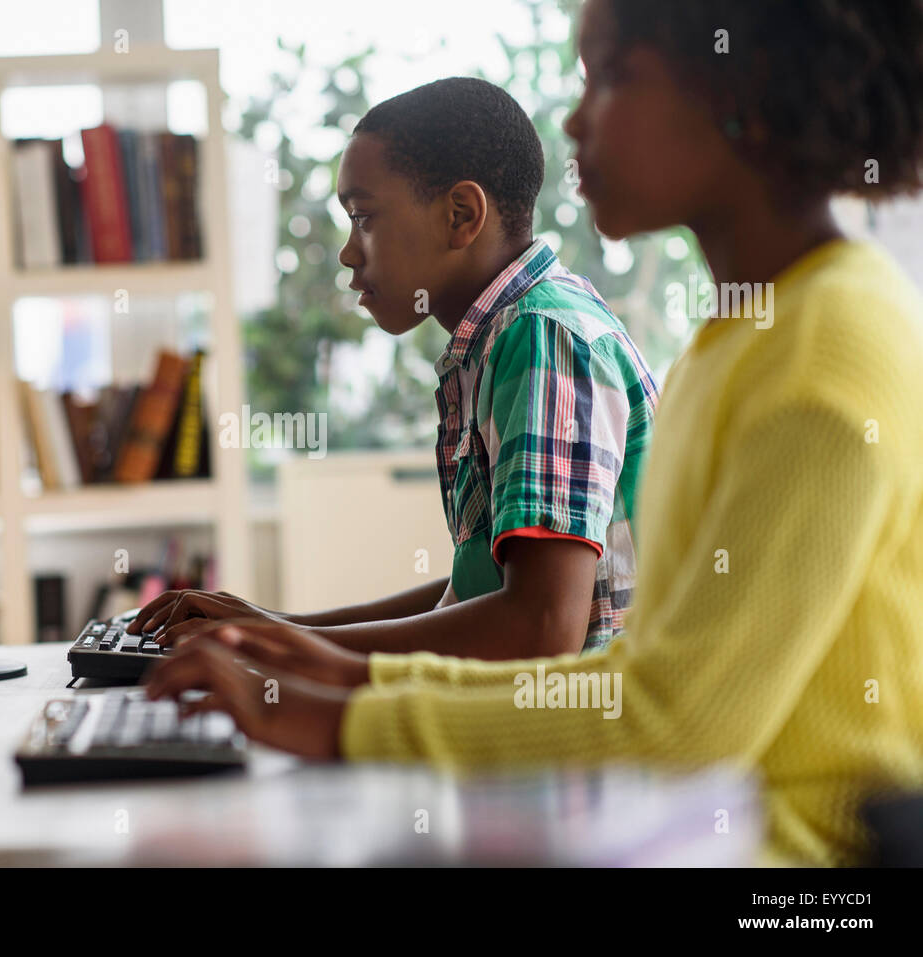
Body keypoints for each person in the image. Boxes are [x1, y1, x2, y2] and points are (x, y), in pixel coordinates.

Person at [146, 0, 923, 866]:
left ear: (741, 88)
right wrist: (335, 671)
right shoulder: (734, 341)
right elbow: (636, 680)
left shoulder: (824, 348)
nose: (574, 117)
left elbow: (672, 718)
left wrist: (336, 709)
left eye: (615, 77)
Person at [133, 76, 658, 661]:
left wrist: (277, 647)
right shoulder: (504, 337)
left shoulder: (544, 338)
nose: (349, 253)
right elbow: (484, 594)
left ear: (461, 214)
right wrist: (277, 626)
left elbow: (539, 626)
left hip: (577, 740)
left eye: (364, 217)